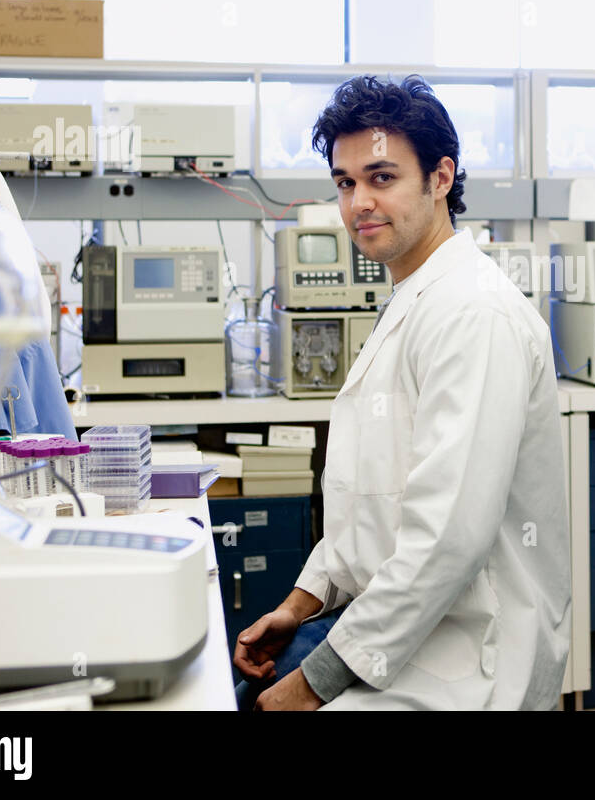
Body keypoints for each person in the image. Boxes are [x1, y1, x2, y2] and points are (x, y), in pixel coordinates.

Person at [234, 75, 570, 710]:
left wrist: (310, 686)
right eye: (345, 182)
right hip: (404, 634)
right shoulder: (415, 299)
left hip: (470, 663)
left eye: (382, 177)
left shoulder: (474, 314)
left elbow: (446, 540)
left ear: (441, 178)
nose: (359, 200)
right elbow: (374, 506)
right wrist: (298, 605)